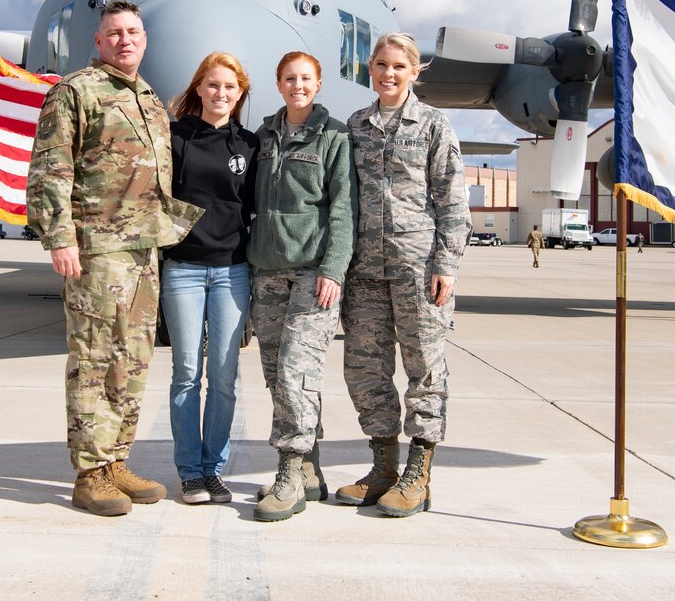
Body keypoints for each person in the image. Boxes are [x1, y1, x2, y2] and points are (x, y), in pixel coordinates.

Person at [27, 0, 203, 517]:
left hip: (144, 248)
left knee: (134, 357)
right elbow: (50, 169)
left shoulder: (149, 98)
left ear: (144, 39)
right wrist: (59, 237)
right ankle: (89, 472)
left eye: (133, 31)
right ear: (99, 41)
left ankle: (116, 461)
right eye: (115, 33)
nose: (125, 40)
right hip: (98, 248)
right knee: (95, 357)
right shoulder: (75, 91)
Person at [338, 32, 471, 518]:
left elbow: (452, 200)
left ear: (415, 71)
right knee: (365, 369)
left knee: (424, 369)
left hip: (419, 270)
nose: (388, 74)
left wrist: (447, 265)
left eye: (398, 66)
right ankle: (382, 468)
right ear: (369, 69)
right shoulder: (356, 125)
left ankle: (419, 472)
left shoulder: (434, 124)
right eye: (380, 65)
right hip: (365, 270)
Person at [249, 51, 356, 522]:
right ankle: (310, 466)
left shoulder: (335, 138)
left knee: (297, 367)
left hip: (314, 273)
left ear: (318, 84)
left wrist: (333, 269)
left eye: (306, 79)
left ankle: (289, 471)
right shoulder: (265, 136)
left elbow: (343, 209)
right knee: (276, 372)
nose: (298, 85)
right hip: (268, 269)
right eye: (290, 78)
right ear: (279, 83)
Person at [162, 52, 259, 505]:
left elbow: (255, 208)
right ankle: (189, 472)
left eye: (230, 88)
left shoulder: (250, 145)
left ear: (240, 95)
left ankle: (213, 469)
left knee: (224, 377)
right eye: (213, 85)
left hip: (232, 271)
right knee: (186, 373)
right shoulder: (173, 136)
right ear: (199, 87)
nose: (221, 94)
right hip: (182, 269)